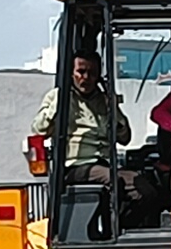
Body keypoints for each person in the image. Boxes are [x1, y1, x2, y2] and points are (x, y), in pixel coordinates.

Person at [33, 51, 133, 182]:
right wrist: (58, 103)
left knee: (143, 184)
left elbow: (125, 138)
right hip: (75, 166)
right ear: (71, 73)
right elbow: (39, 130)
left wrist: (113, 110)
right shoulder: (56, 97)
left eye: (91, 73)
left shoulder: (104, 100)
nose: (86, 77)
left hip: (106, 164)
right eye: (81, 72)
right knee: (115, 179)